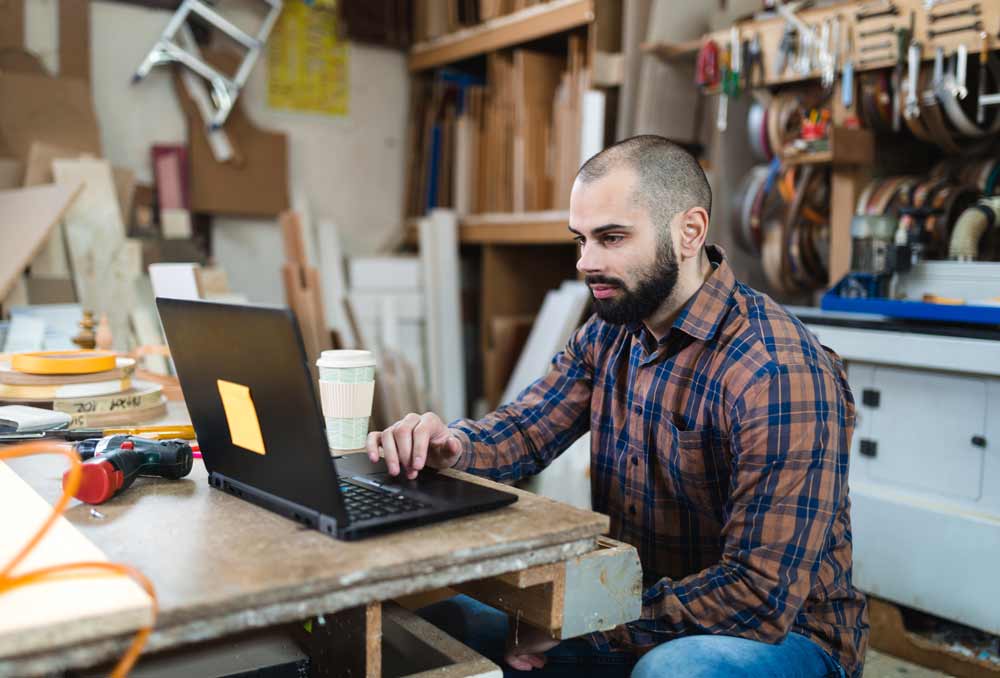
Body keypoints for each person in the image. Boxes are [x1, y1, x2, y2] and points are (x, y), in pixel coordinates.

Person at [366, 135, 869, 678]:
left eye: (611, 238)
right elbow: (527, 429)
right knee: (445, 628)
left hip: (785, 637)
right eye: (580, 240)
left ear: (689, 232)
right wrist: (450, 446)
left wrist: (590, 623)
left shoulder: (777, 371)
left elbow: (758, 593)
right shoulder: (613, 332)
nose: (587, 262)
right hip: (643, 606)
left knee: (674, 672)